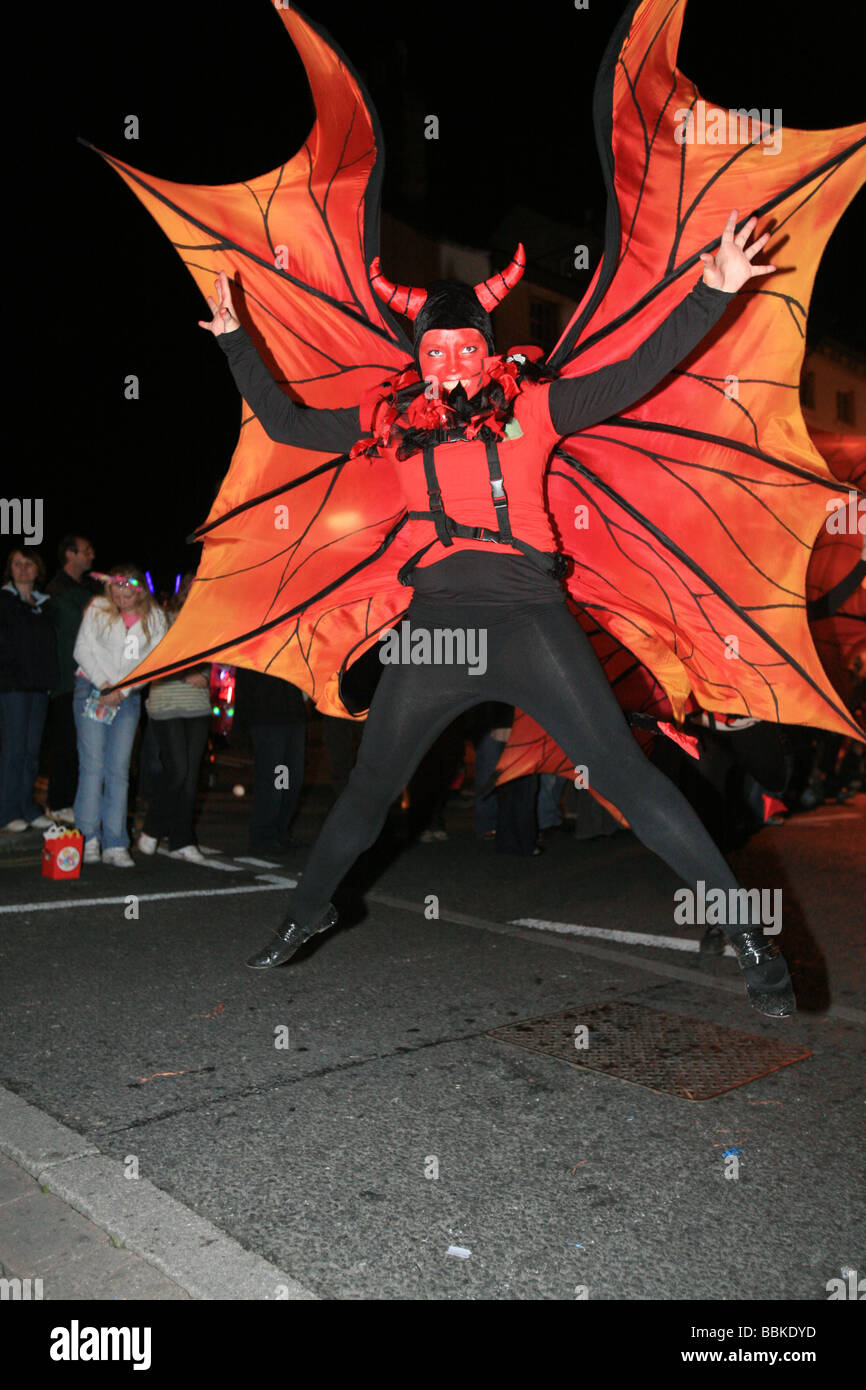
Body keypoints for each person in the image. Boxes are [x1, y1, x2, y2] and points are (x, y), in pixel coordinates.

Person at [198, 210, 797, 1018]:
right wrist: (237, 339)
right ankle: (307, 913)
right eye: (434, 352)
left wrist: (710, 290)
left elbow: (640, 371)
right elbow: (288, 425)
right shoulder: (392, 422)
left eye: (465, 350)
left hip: (527, 619)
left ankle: (746, 934)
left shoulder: (538, 408)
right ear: (417, 358)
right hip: (438, 626)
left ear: (488, 352)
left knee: (622, 769)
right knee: (370, 788)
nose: (448, 367)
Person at [73, 564, 167, 866]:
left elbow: (155, 661)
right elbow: (81, 650)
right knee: (92, 767)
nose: (121, 593)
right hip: (92, 689)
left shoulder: (155, 617)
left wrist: (122, 691)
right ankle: (87, 838)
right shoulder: (98, 608)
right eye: (116, 586)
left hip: (127, 699)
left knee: (119, 770)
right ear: (108, 588)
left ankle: (115, 842)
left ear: (139, 588)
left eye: (128, 586)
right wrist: (105, 686)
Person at [136, 575, 212, 862]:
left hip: (198, 706)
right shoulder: (164, 618)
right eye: (193, 587)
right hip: (166, 703)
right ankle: (152, 829)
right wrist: (185, 674)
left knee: (191, 777)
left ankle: (182, 839)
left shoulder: (212, 624)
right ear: (184, 591)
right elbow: (155, 658)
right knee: (177, 771)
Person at [0, 548, 59, 832]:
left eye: (28, 564)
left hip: (39, 687)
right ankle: (8, 810)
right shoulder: (4, 601)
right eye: (17, 564)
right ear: (9, 569)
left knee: (31, 752)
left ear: (38, 569)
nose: (23, 569)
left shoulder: (45, 605)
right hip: (12, 687)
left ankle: (26, 806)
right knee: (14, 750)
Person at [46, 534, 99, 824]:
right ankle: (58, 801)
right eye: (86, 551)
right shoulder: (57, 591)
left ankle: (76, 799)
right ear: (70, 554)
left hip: (89, 679)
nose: (92, 555)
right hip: (66, 680)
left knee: (83, 745)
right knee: (65, 741)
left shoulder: (88, 588)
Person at [232, 668, 307, 855]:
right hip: (267, 718)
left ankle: (280, 830)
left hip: (293, 715)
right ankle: (263, 835)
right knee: (273, 780)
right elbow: (245, 683)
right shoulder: (256, 645)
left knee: (291, 780)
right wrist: (242, 726)